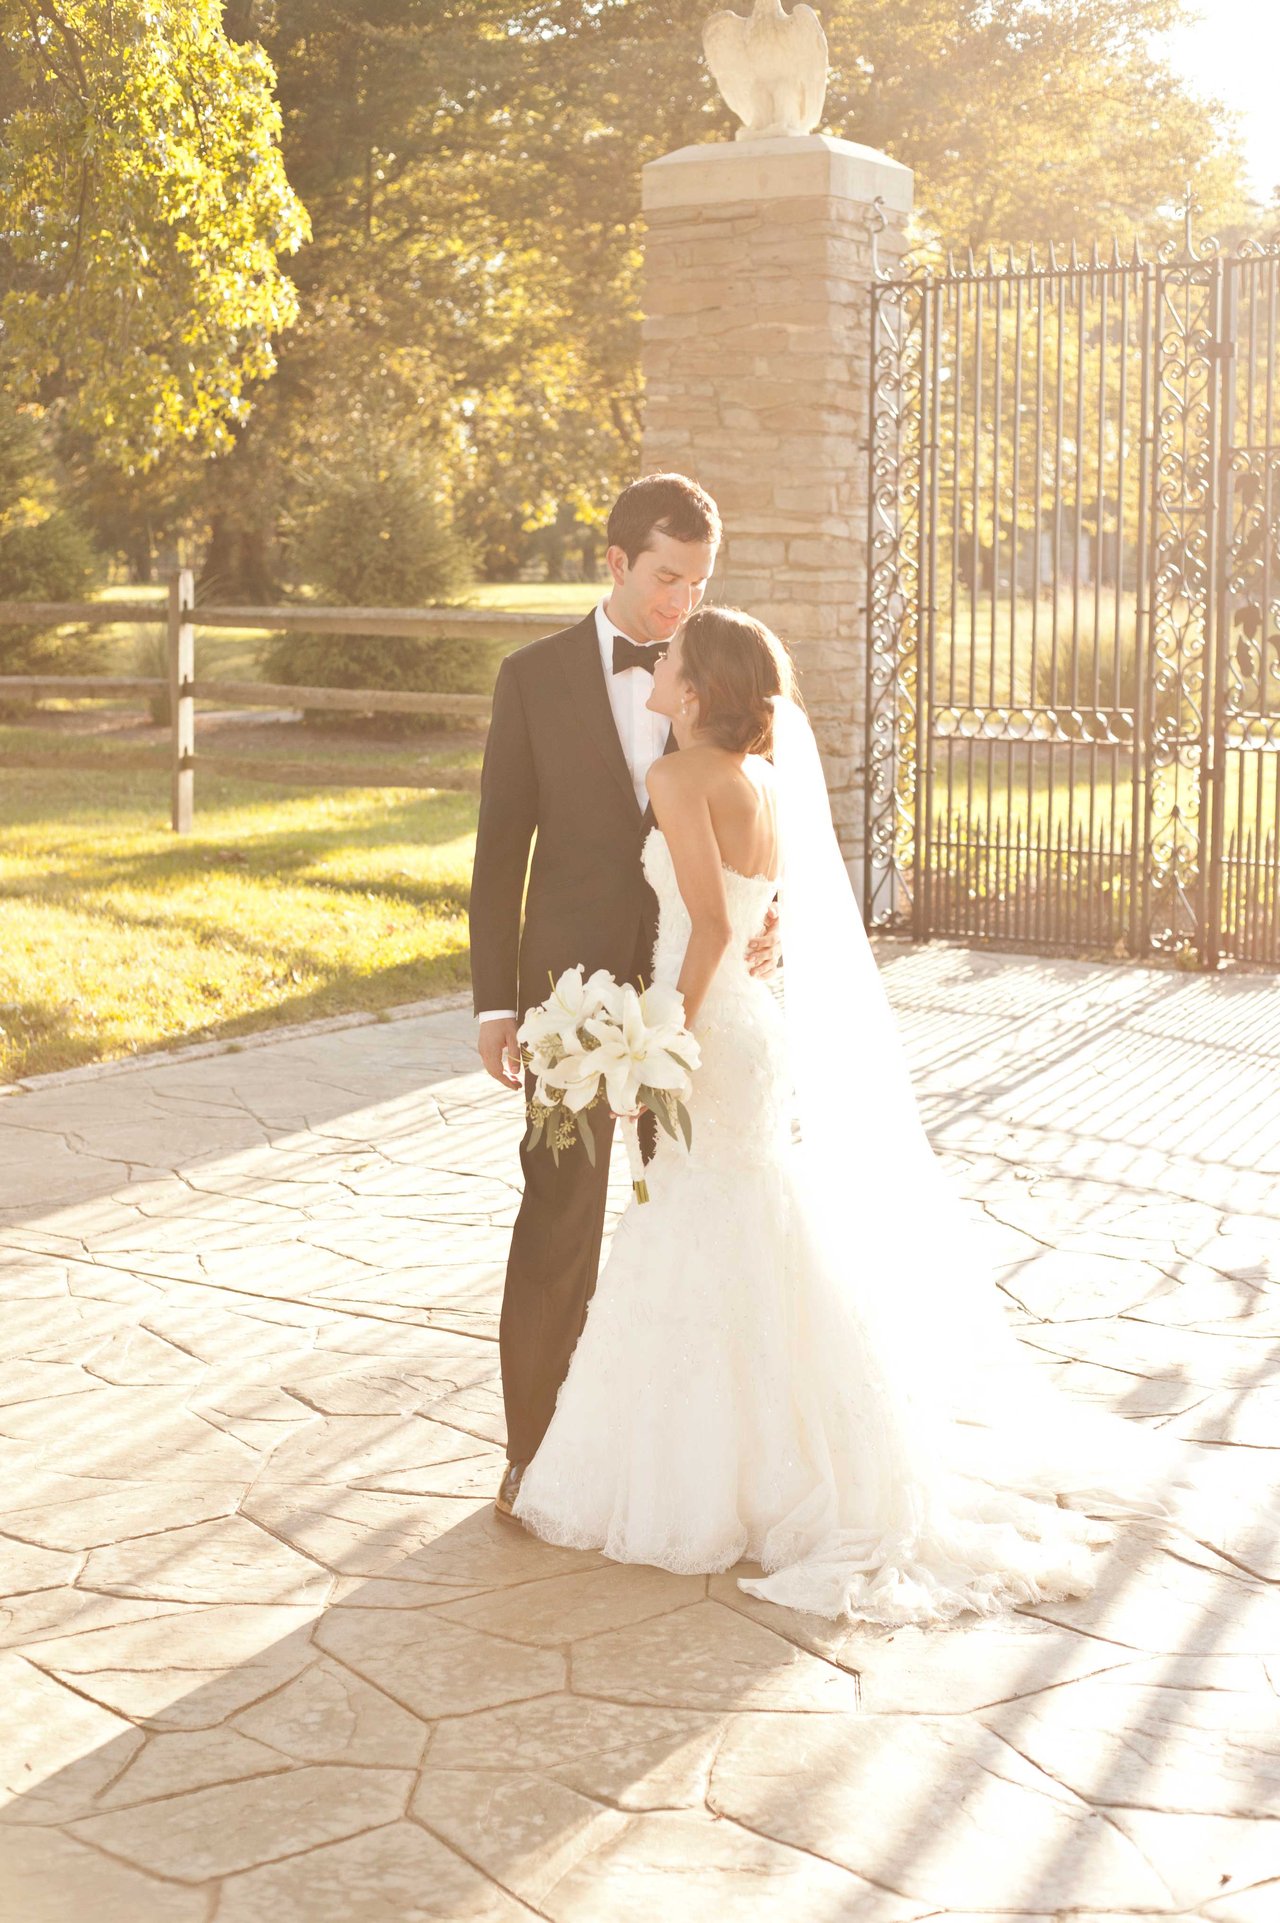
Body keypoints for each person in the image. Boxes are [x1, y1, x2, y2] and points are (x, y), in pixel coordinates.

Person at [510, 605, 1242, 1626]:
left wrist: (656, 1040)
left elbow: (714, 922)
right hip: (750, 1027)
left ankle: (704, 1481)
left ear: (700, 686)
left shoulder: (678, 778)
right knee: (746, 1218)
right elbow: (759, 909)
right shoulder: (760, 778)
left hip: (709, 1031)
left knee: (696, 1224)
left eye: (674, 657)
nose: (659, 661)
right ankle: (791, 1460)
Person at [469, 474, 779, 1519]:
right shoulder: (531, 676)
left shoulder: (718, 667)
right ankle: (532, 1453)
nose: (678, 605)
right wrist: (493, 1001)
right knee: (559, 1216)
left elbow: (749, 836)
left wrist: (753, 925)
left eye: (695, 582)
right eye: (662, 579)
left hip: (691, 1007)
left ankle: (679, 1468)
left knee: (681, 1229)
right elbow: (497, 851)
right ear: (613, 562)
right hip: (569, 1001)